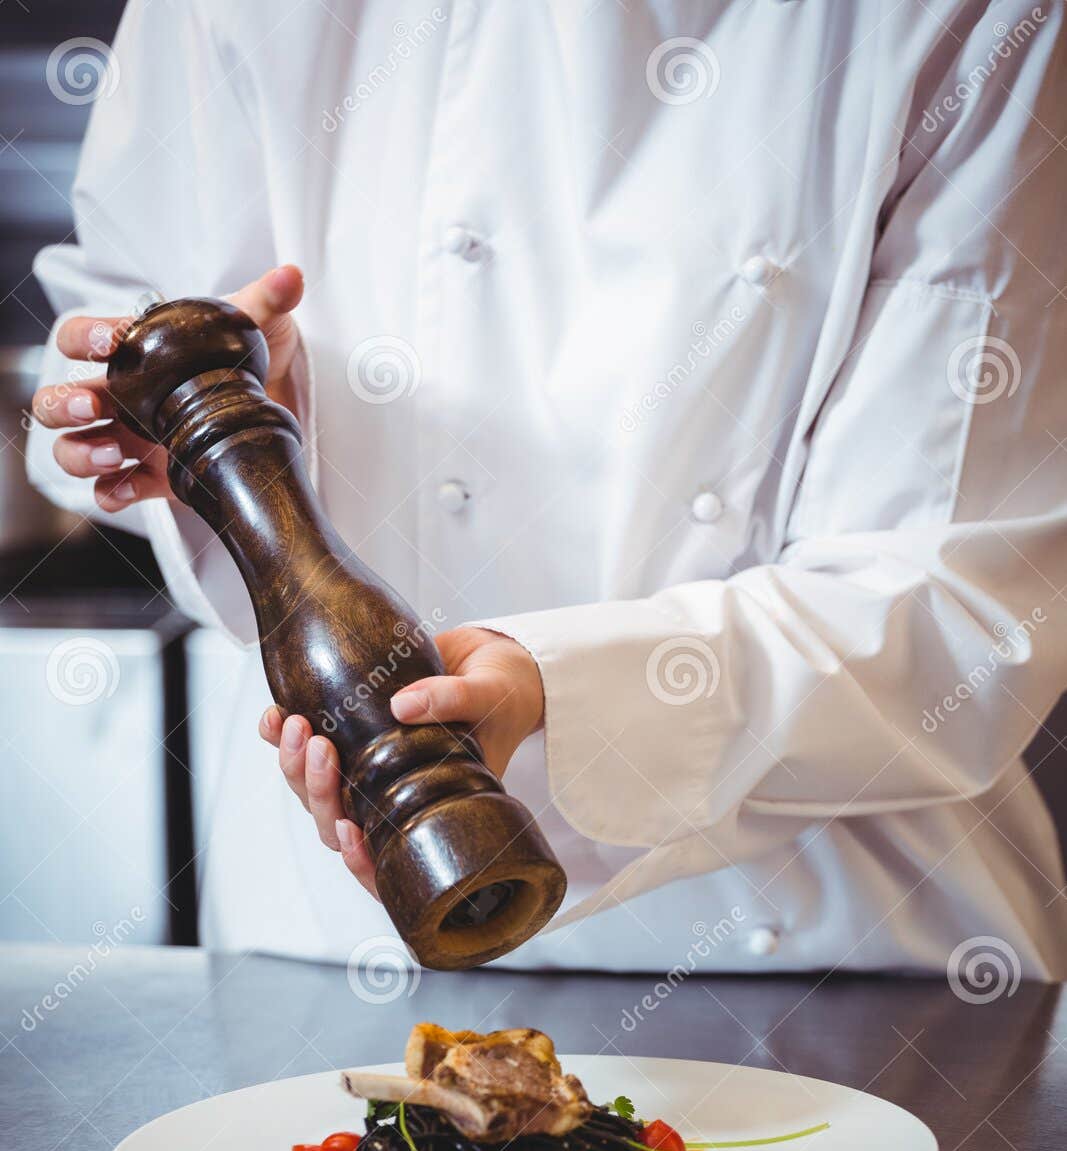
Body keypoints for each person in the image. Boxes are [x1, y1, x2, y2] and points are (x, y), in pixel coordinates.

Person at [29, 1, 1067, 977]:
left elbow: (959, 607)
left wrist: (560, 698)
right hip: (337, 931)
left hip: (831, 955)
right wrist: (228, 439)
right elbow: (123, 305)